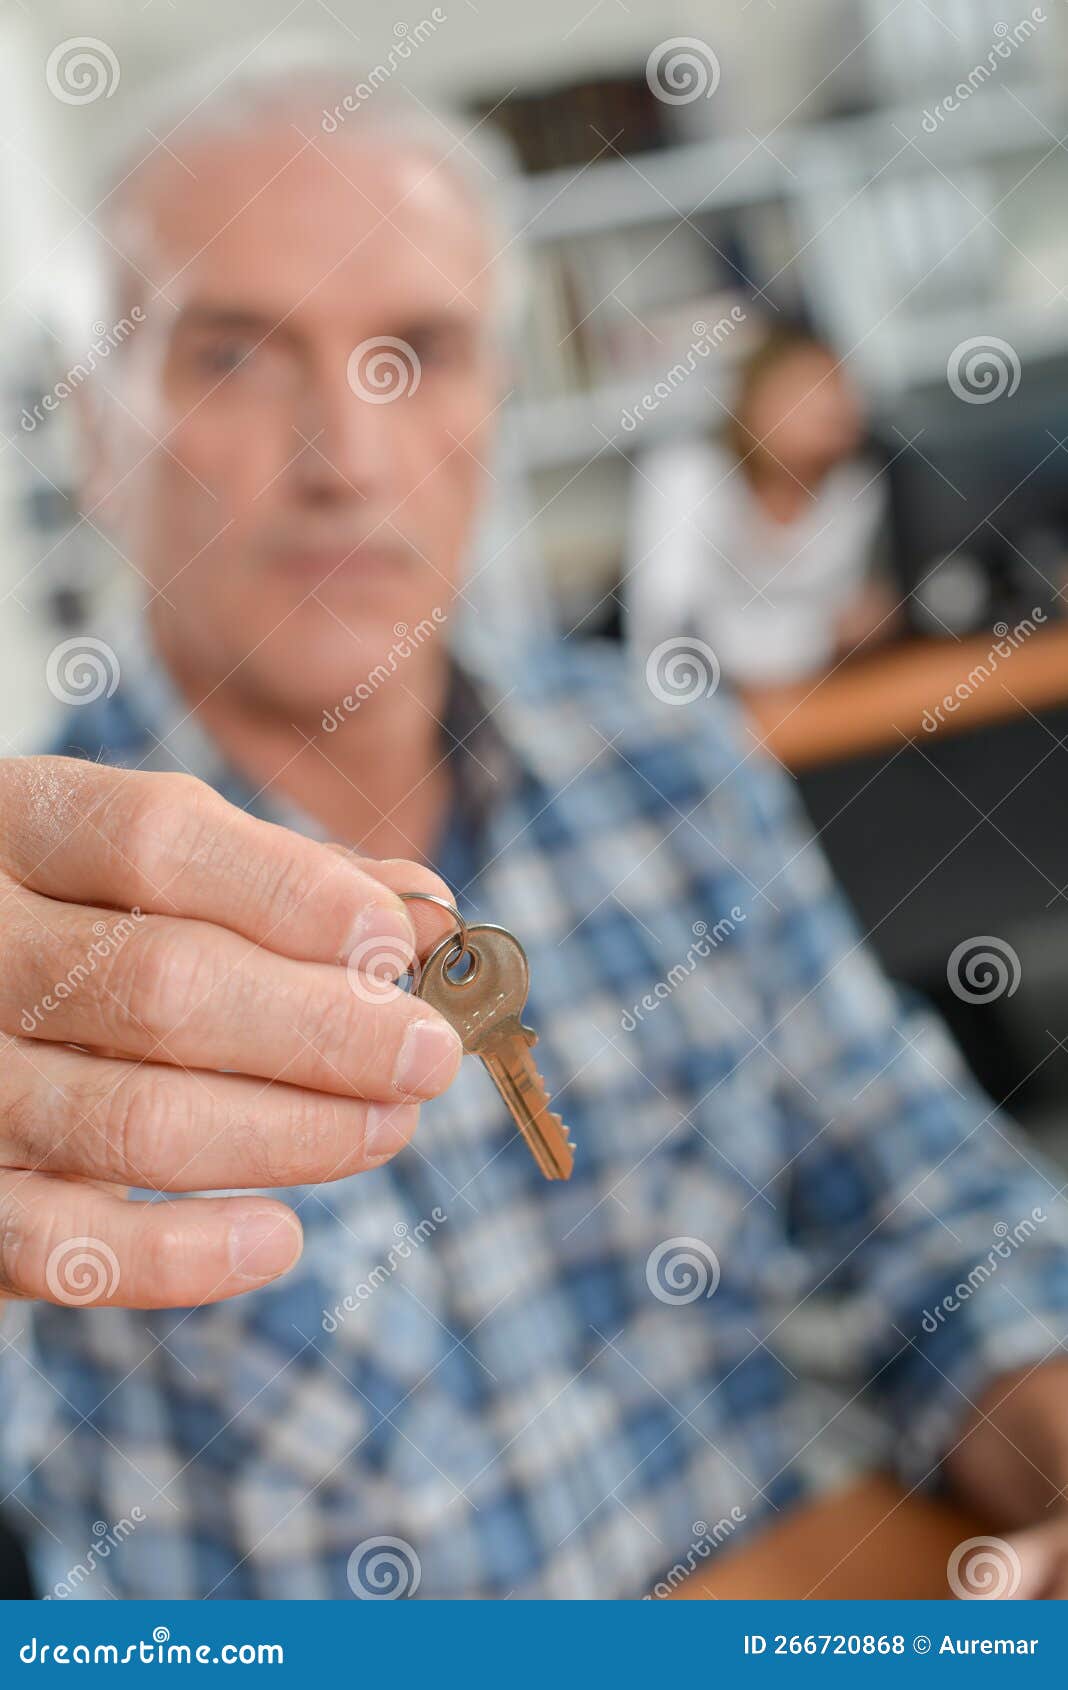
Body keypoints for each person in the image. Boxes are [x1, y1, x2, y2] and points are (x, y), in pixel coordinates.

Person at [2, 50, 1068, 1602]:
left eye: (415, 354)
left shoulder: (673, 766)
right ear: (99, 433)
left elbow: (929, 1212)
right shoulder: (38, 937)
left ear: (497, 405)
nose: (343, 460)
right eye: (234, 356)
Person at [626, 325, 899, 690]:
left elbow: (860, 619)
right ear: (751, 403)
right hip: (704, 717)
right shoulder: (686, 478)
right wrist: (814, 638)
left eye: (837, 389)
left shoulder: (857, 490)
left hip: (820, 701)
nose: (830, 407)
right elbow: (670, 637)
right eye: (803, 392)